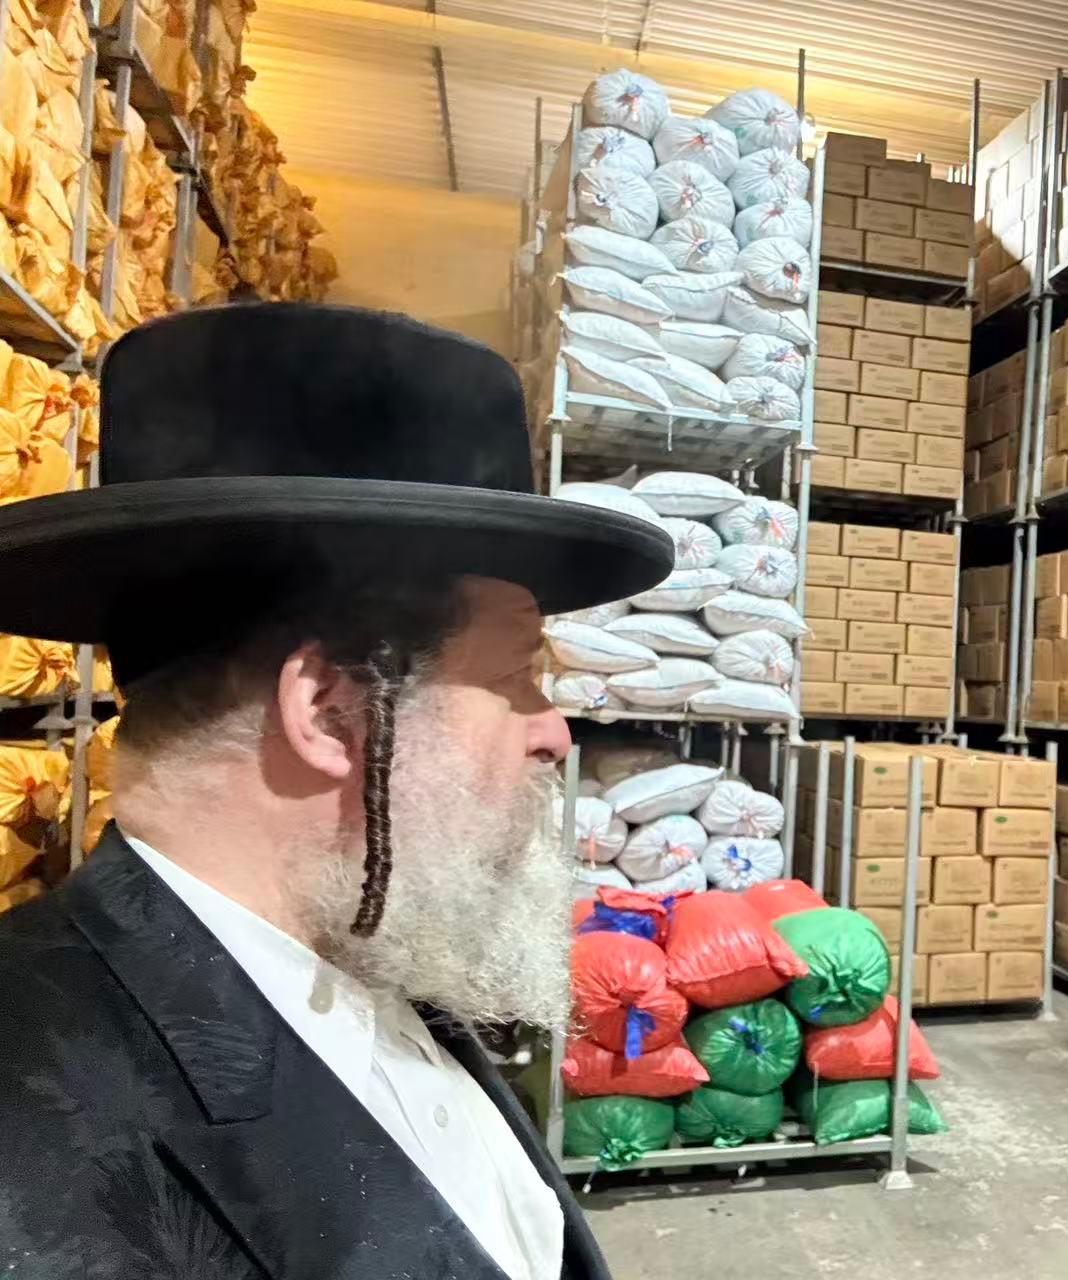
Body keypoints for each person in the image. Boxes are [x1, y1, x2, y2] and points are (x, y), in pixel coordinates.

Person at [0, 304, 673, 1278]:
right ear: (330, 710)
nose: (554, 731)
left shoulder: (374, 939)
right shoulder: (32, 1138)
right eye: (517, 674)